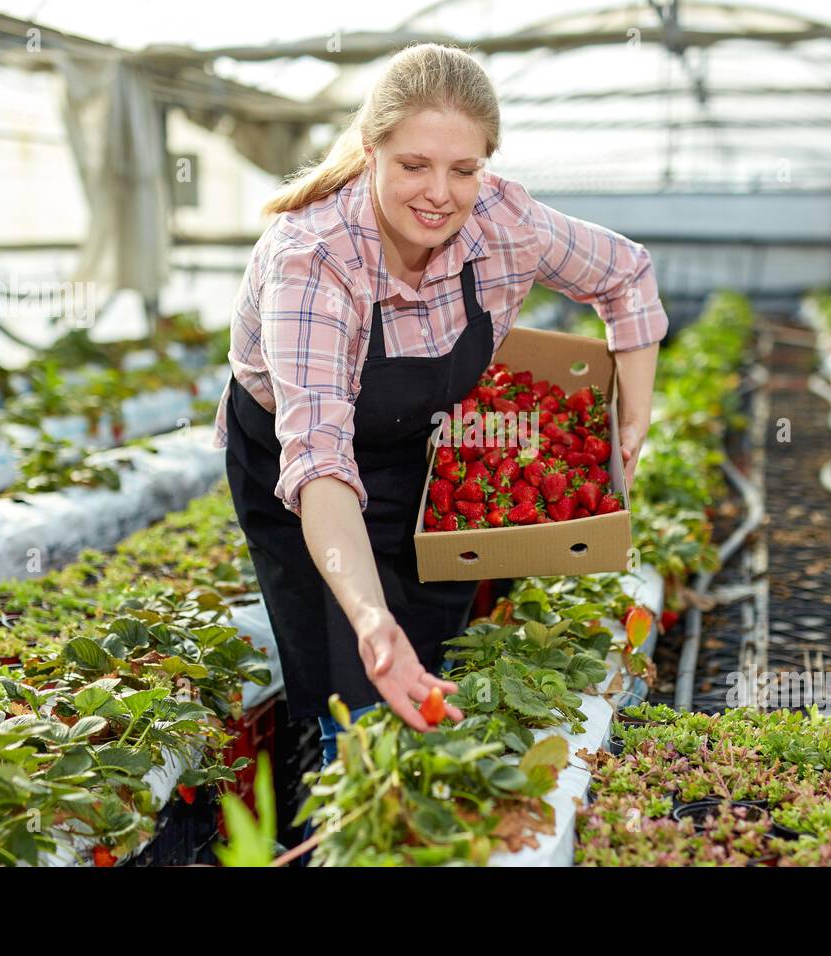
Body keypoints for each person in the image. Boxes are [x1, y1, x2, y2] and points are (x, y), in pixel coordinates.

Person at [215, 43, 668, 767]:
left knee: (433, 643)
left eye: (465, 169)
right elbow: (322, 465)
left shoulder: (503, 221)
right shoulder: (314, 261)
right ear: (371, 152)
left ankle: (424, 783)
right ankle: (344, 808)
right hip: (305, 470)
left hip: (422, 449)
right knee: (354, 685)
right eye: (414, 165)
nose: (440, 193)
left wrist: (631, 427)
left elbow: (628, 275)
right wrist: (369, 621)